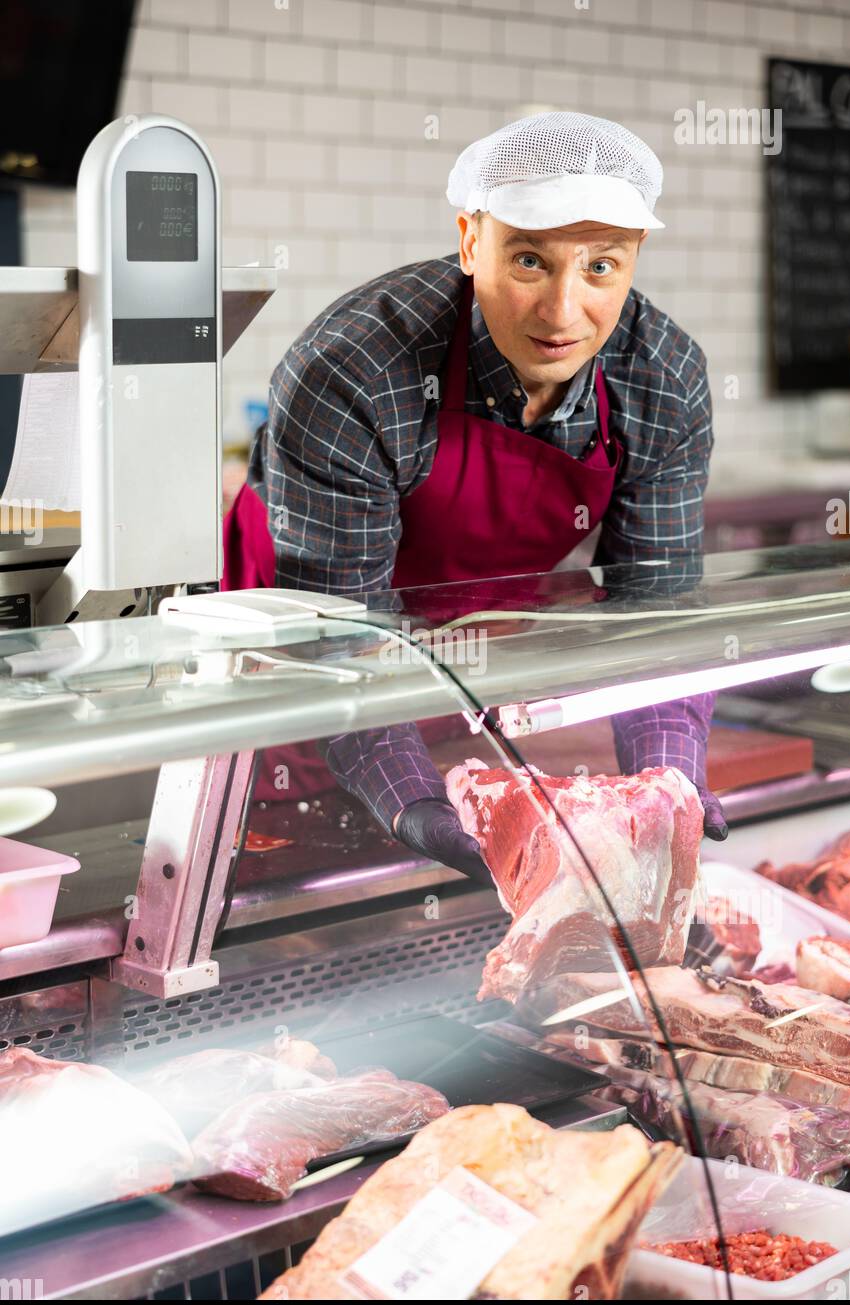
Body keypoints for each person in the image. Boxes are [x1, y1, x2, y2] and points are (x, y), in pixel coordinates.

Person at [227, 110, 725, 881]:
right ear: (470, 241)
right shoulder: (355, 368)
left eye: (602, 266)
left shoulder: (663, 377)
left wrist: (672, 779)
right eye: (529, 261)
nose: (564, 313)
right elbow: (338, 640)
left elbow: (652, 615)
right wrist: (412, 802)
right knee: (281, 882)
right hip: (280, 671)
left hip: (458, 665)